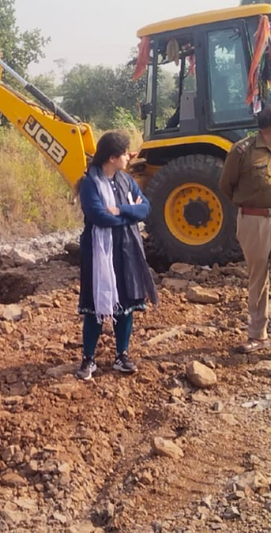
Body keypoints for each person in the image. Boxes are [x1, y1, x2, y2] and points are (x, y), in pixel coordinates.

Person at [75, 131, 159, 381]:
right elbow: (98, 216)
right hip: (98, 252)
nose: (128, 157)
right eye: (124, 153)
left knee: (127, 303)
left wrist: (120, 210)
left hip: (127, 249)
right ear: (112, 157)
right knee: (95, 306)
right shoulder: (90, 183)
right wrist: (128, 214)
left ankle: (122, 355)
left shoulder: (126, 179)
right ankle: (88, 359)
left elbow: (145, 208)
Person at [219, 104, 271, 362]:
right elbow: (226, 185)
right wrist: (252, 208)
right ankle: (258, 336)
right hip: (255, 221)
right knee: (258, 279)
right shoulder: (242, 151)